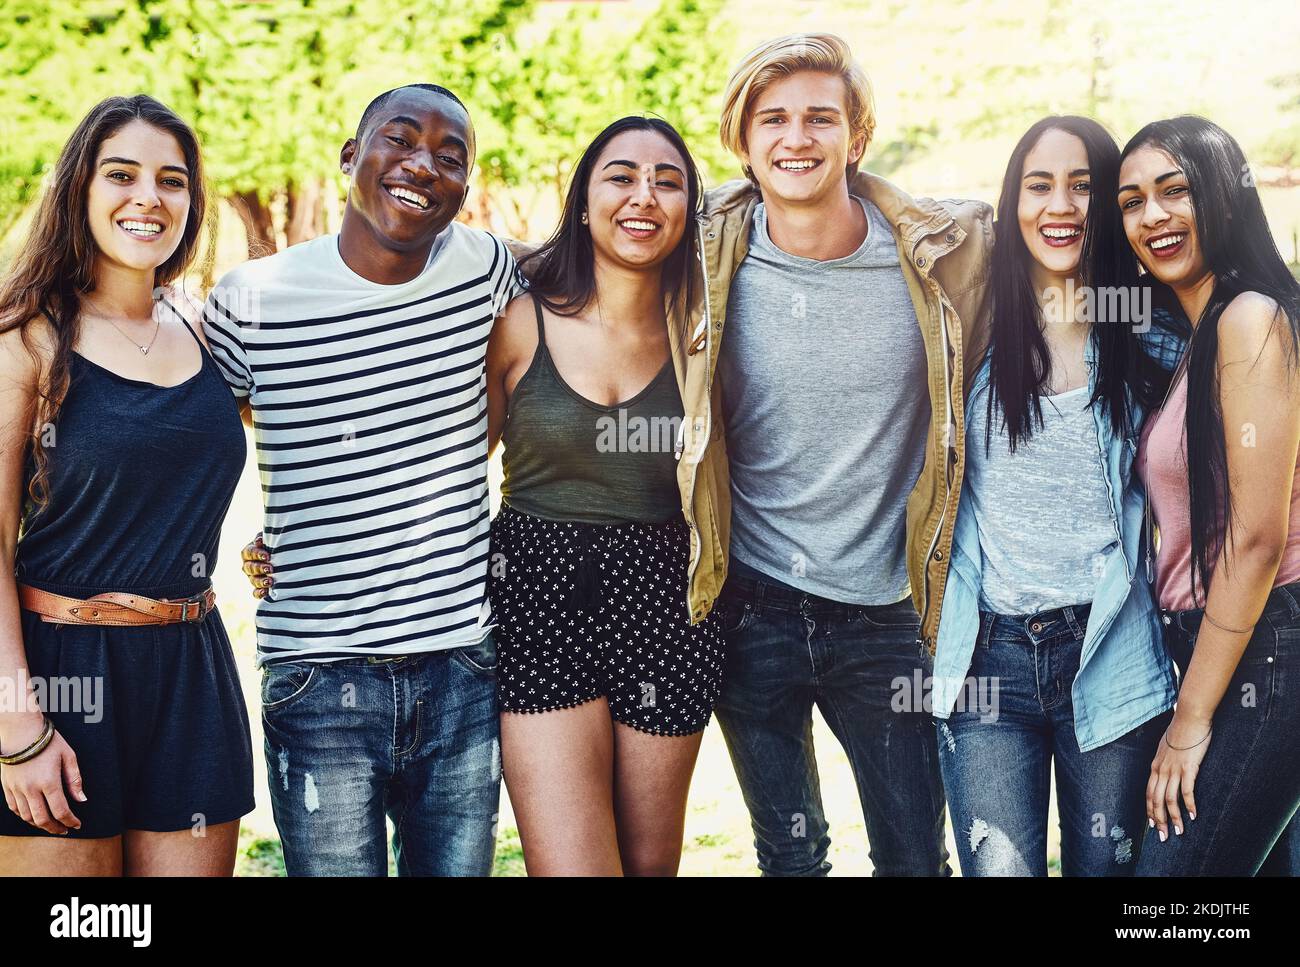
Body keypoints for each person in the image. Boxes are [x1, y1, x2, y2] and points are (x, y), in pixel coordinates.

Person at [687, 33, 992, 876]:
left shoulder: (940, 253)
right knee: (788, 853)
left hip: (885, 614)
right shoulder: (703, 250)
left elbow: (1073, 246)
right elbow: (575, 262)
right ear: (742, 143)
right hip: (749, 605)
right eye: (773, 119)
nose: (797, 138)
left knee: (912, 855)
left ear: (856, 137)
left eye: (821, 117)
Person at [205, 83, 522, 876]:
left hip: (462, 663)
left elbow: (507, 392)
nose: (424, 164)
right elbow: (199, 437)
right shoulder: (251, 300)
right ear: (352, 155)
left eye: (452, 157)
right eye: (401, 139)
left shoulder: (483, 268)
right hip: (318, 671)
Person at [0, 95, 253, 876]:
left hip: (192, 671)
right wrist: (16, 723)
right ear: (79, 189)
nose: (149, 197)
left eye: (172, 180)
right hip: (60, 675)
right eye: (122, 174)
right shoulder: (29, 338)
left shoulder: (209, 333)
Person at [930, 116, 1181, 876]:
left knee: (1106, 870)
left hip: (1110, 651)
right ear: (1012, 203)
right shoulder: (971, 322)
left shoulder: (1145, 331)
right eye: (1039, 186)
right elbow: (889, 220)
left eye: (1083, 187)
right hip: (988, 658)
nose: (1061, 206)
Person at [484, 116, 724, 876]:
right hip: (539, 594)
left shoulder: (705, 333)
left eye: (668, 180)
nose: (643, 196)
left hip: (668, 603)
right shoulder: (521, 324)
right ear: (583, 201)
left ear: (691, 207)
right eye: (620, 176)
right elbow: (449, 470)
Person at [1121, 117, 1300, 876]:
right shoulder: (1200, 334)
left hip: (1273, 645)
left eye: (1174, 189)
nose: (1151, 215)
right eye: (1131, 201)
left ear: (1224, 195)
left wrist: (1191, 719)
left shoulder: (1250, 319)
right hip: (1221, 642)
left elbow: (1257, 535)